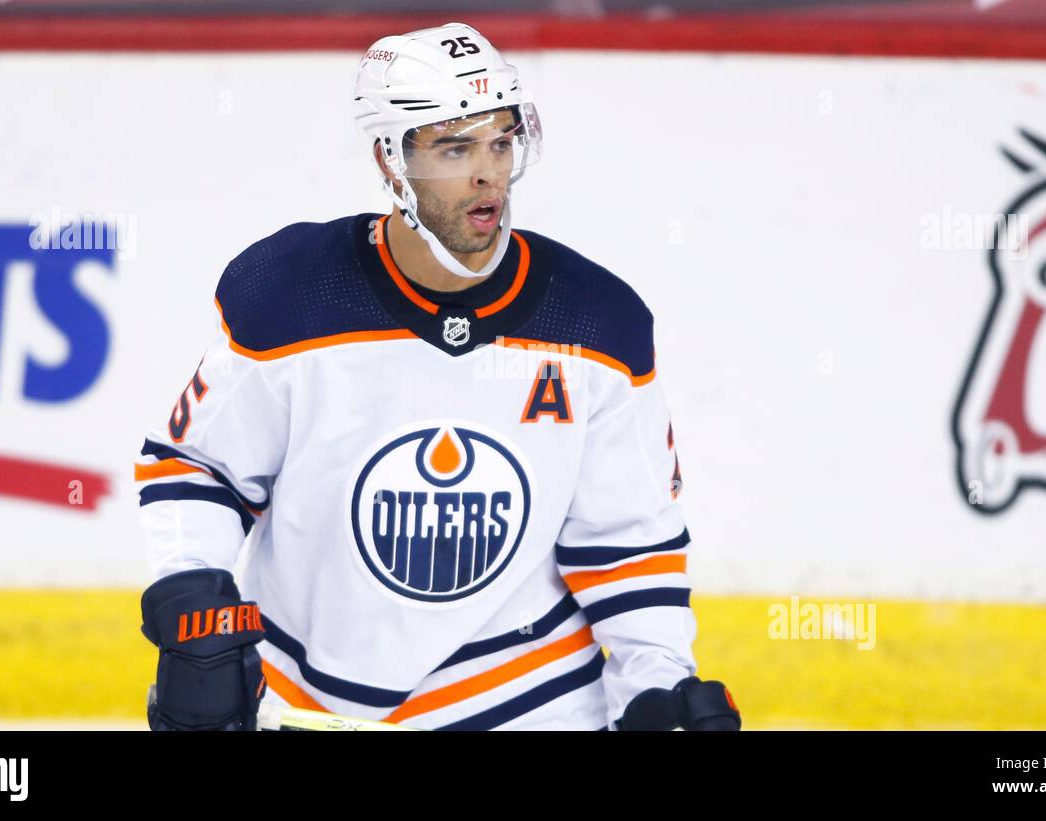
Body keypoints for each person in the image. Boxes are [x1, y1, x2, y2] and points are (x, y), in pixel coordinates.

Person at [135, 21, 739, 731]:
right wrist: (193, 599)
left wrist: (656, 689)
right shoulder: (290, 296)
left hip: (530, 706)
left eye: (500, 142)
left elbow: (630, 543)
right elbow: (197, 467)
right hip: (312, 709)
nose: (488, 174)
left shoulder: (598, 323)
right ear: (392, 163)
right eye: (456, 148)